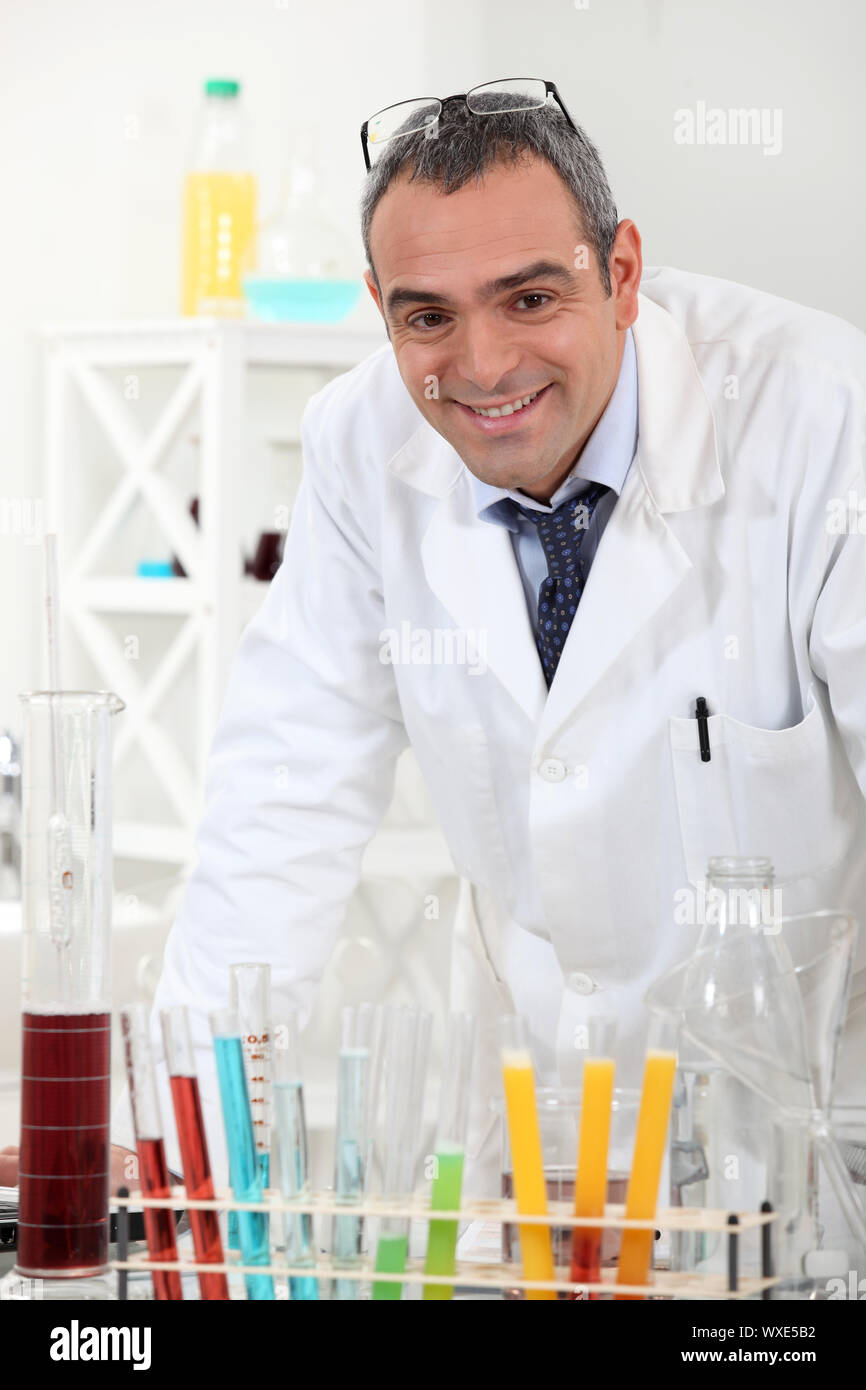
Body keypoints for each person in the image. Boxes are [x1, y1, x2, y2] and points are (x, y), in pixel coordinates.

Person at [4, 78, 865, 1198]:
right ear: (379, 308)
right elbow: (283, 799)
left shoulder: (819, 417)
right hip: (538, 1141)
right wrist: (173, 1143)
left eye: (529, 298)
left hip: (811, 1150)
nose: (484, 365)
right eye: (428, 317)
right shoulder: (359, 442)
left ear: (620, 274)